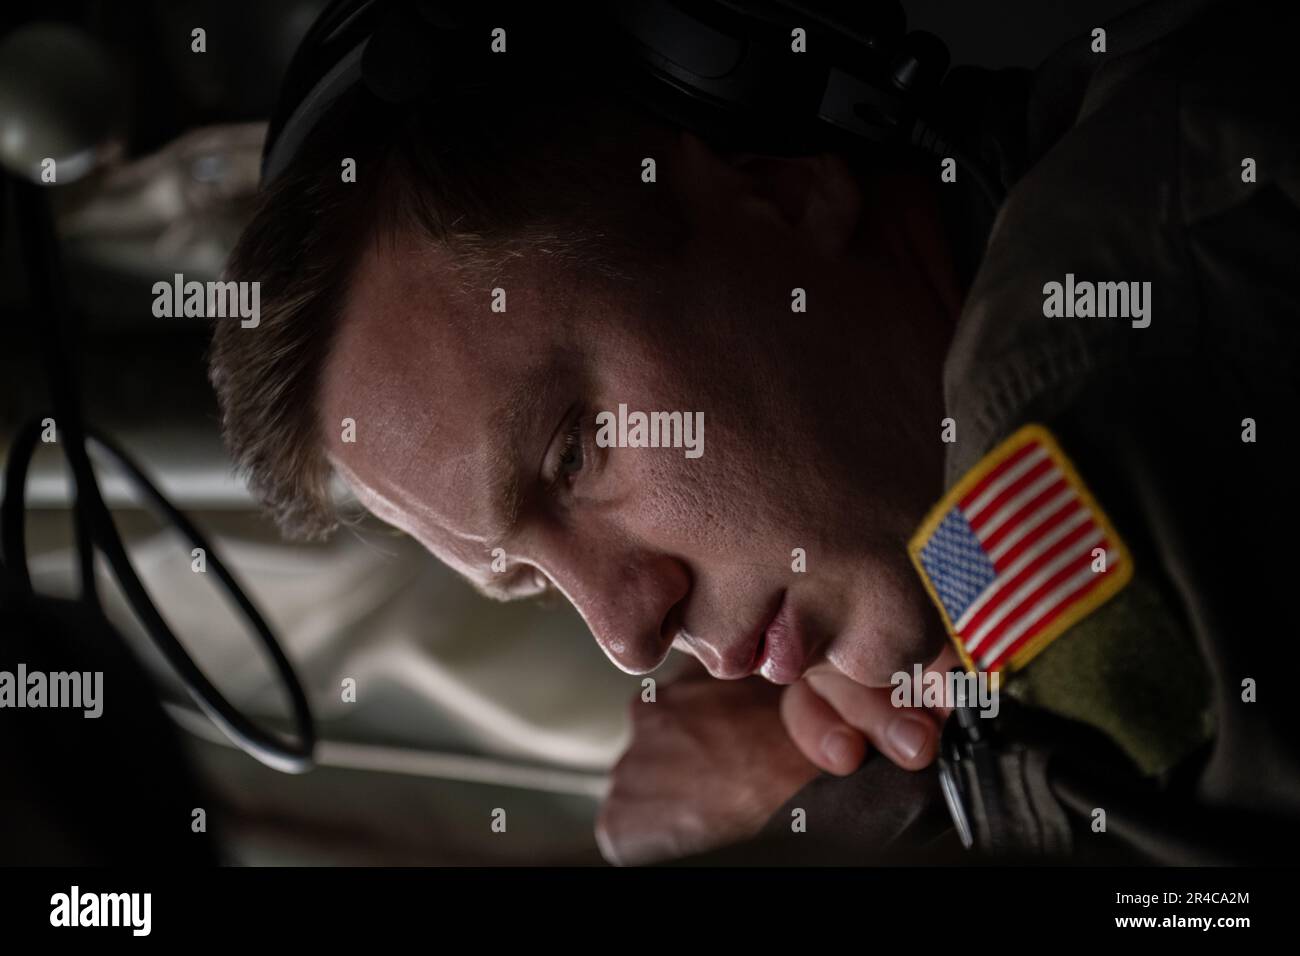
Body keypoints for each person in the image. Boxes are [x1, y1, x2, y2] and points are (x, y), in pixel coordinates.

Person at [209, 0, 1300, 864]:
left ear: (775, 186)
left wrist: (830, 806)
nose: (627, 635)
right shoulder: (1105, 198)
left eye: (575, 455)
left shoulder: (1062, 384)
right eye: (533, 581)